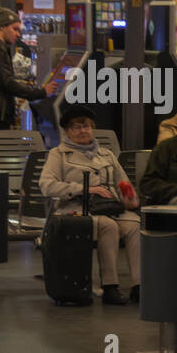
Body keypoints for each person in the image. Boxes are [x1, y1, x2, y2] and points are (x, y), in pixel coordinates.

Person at [39, 104, 142, 305]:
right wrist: (84, 189)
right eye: (76, 127)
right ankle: (110, 286)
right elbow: (47, 185)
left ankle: (139, 286)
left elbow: (123, 182)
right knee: (108, 226)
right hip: (76, 210)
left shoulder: (106, 154)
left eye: (86, 126)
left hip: (110, 206)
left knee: (135, 225)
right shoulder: (58, 155)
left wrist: (130, 197)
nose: (82, 131)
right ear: (67, 132)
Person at [0, 8, 58, 133]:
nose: (18, 34)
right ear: (2, 27)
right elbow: (7, 82)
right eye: (15, 29)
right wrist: (40, 93)